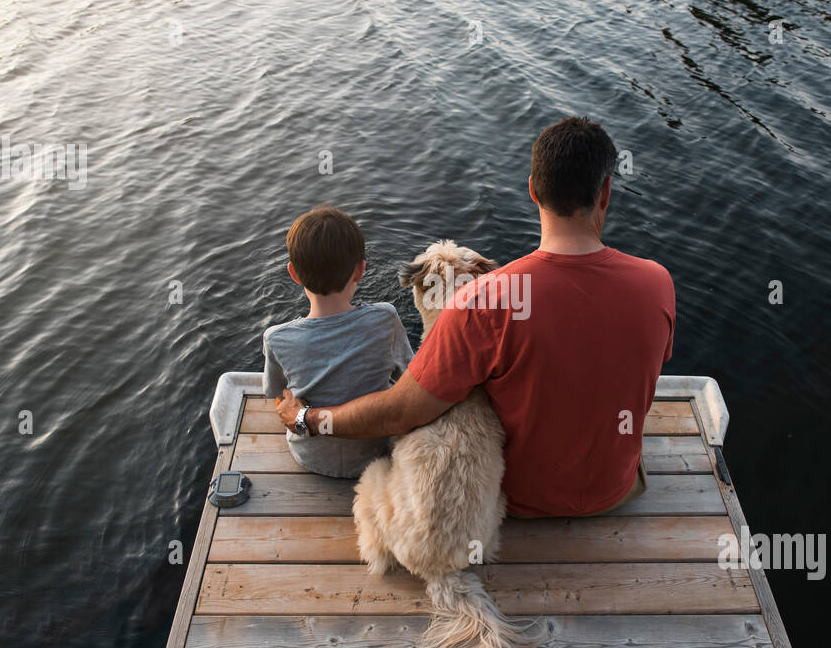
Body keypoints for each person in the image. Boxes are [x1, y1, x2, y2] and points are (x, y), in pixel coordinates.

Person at [276, 117, 675, 516]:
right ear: (606, 192)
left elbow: (401, 412)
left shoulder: (485, 300)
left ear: (533, 191)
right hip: (616, 490)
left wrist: (307, 418)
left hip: (518, 501)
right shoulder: (657, 283)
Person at [262, 205, 414, 478]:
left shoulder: (277, 338)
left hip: (310, 457)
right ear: (361, 270)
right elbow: (409, 373)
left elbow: (279, 395)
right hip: (376, 456)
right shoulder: (385, 318)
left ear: (293, 273)